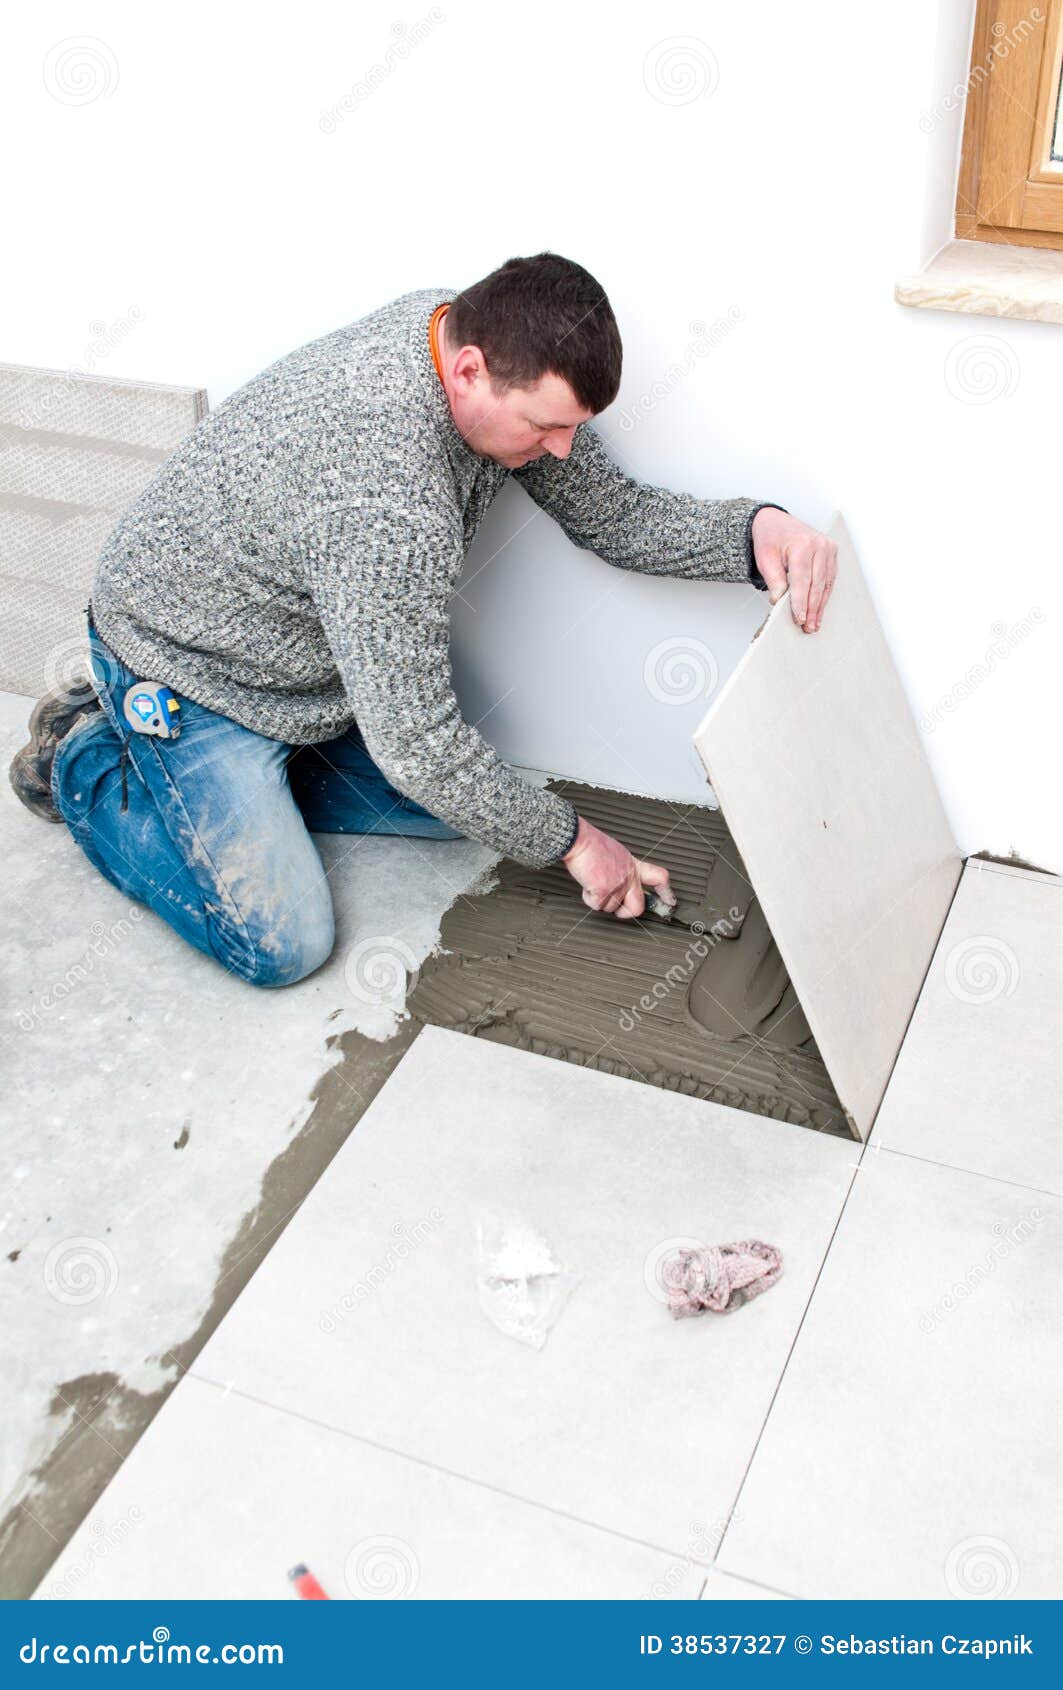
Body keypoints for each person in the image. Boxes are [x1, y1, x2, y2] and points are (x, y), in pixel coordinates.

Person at [10, 253, 837, 987]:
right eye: (547, 429)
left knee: (456, 811)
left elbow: (611, 516)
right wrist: (581, 844)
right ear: (469, 371)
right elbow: (416, 743)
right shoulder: (386, 500)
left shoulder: (463, 326)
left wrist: (751, 531)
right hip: (188, 667)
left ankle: (259, 778)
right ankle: (84, 755)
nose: (559, 452)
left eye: (571, 429)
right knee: (283, 943)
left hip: (307, 670)